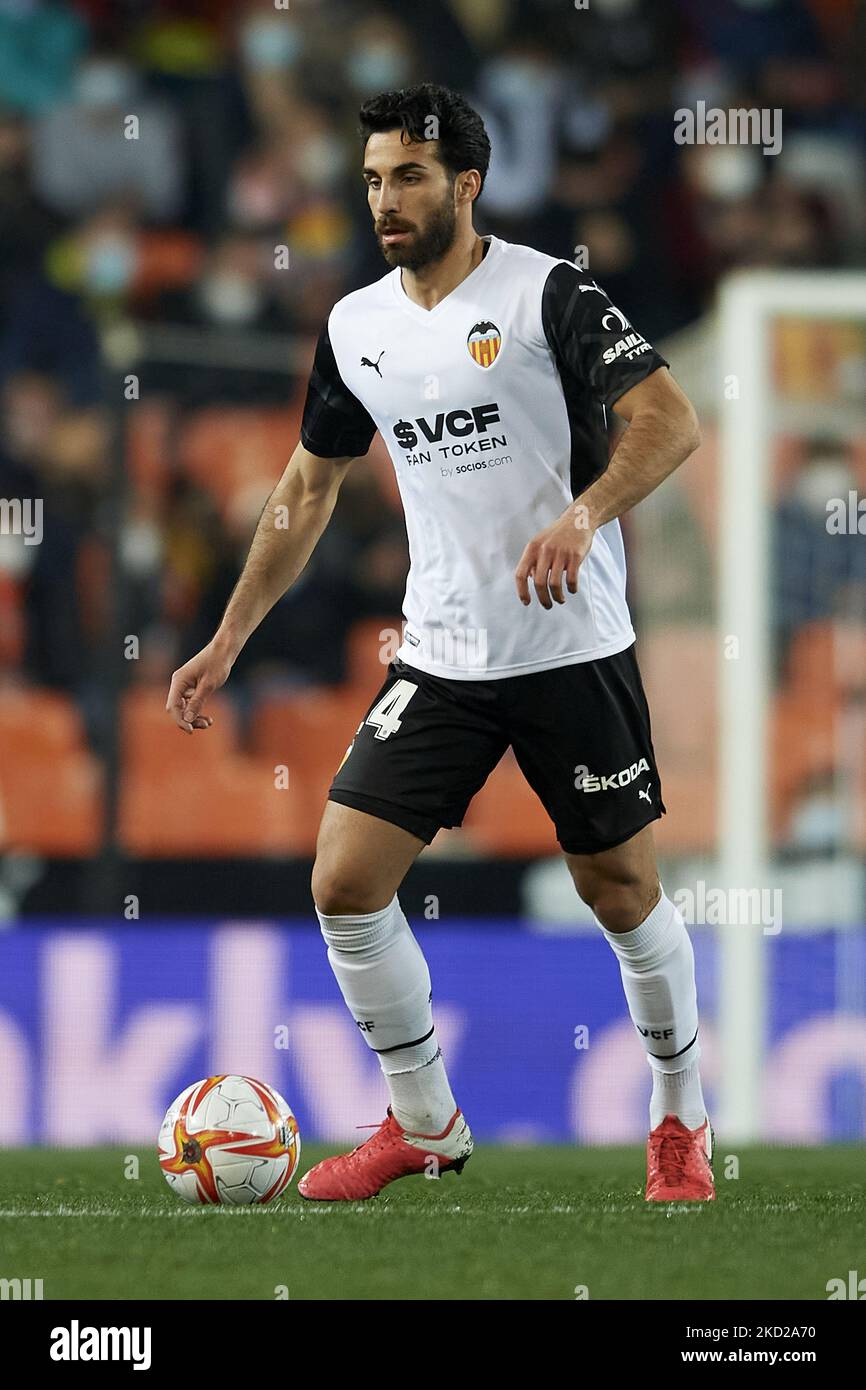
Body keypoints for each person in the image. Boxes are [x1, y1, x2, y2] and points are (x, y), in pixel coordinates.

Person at [166, 84, 710, 1203]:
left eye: (407, 176)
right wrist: (226, 637)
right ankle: (424, 1122)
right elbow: (308, 485)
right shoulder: (355, 325)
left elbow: (670, 417)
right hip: (443, 655)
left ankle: (678, 1117)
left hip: (570, 647)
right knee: (344, 880)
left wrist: (582, 514)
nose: (384, 198)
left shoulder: (544, 293)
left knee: (616, 888)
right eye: (371, 179)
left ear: (464, 183)